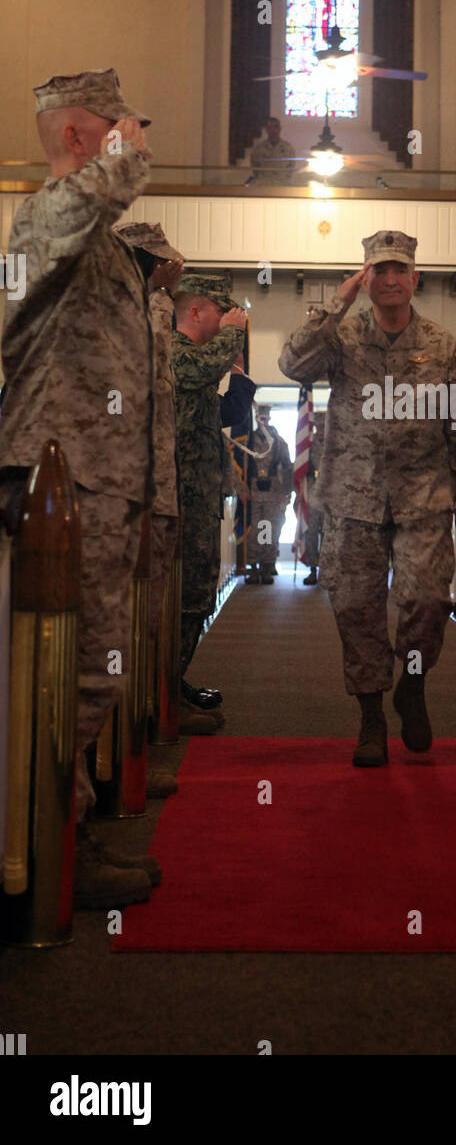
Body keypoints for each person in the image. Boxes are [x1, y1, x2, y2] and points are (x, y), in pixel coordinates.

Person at [0, 67, 160, 908]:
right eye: (117, 124)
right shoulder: (45, 217)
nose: (135, 136)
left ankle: (60, 833)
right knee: (68, 669)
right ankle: (46, 853)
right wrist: (123, 160)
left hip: (98, 478)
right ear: (76, 137)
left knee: (89, 664)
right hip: (63, 478)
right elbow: (76, 206)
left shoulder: (90, 236)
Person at [279, 230, 456, 767]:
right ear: (365, 278)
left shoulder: (443, 346)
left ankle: (411, 682)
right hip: (353, 497)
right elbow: (290, 365)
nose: (390, 280)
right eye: (379, 271)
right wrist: (337, 301)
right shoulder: (341, 338)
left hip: (424, 496)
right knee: (354, 607)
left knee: (428, 600)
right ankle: (371, 718)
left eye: (399, 271)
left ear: (415, 279)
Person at [112, 217, 185, 800]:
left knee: (142, 628)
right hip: (127, 496)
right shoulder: (131, 313)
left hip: (150, 492)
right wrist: (161, 293)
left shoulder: (143, 309)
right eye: (154, 264)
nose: (165, 273)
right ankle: (114, 769)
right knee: (120, 635)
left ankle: (127, 757)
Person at [172, 274, 248, 731]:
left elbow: (224, 415)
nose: (227, 321)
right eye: (221, 312)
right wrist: (236, 334)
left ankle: (170, 683)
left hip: (196, 500)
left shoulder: (197, 362)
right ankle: (161, 698)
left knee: (195, 598)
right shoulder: (176, 352)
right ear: (196, 311)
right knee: (183, 599)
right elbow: (200, 370)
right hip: (177, 501)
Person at [247, 404, 293, 583]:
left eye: (265, 418)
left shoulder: (278, 442)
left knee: (269, 530)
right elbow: (241, 466)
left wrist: (285, 492)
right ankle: (253, 567)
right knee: (255, 531)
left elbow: (288, 467)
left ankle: (267, 566)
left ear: (269, 418)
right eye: (260, 417)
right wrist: (242, 488)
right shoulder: (248, 440)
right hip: (254, 491)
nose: (263, 420)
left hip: (273, 492)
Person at [302, 410, 326, 586]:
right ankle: (312, 569)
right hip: (311, 492)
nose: (322, 428)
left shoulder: (335, 442)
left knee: (327, 534)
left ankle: (325, 570)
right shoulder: (307, 444)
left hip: (329, 495)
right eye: (319, 424)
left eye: (325, 424)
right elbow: (299, 468)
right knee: (310, 532)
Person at [248, 117, 298, 184]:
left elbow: (291, 166)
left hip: (281, 185)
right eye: (269, 127)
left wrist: (285, 179)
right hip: (264, 184)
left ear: (280, 129)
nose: (273, 130)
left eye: (275, 127)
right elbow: (254, 167)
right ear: (266, 129)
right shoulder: (259, 148)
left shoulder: (287, 148)